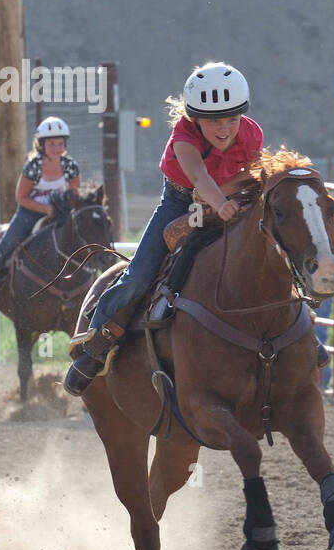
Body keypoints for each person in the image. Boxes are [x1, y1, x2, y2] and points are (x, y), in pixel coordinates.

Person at [64, 62, 264, 395]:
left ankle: (290, 333)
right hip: (181, 200)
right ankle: (97, 340)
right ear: (195, 119)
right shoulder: (184, 139)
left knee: (268, 250)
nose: (225, 129)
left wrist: (240, 201)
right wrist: (222, 206)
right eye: (215, 120)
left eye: (232, 118)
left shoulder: (252, 133)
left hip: (232, 196)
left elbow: (253, 173)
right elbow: (199, 179)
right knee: (141, 275)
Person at [0, 116, 81, 297]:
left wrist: (67, 209)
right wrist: (46, 210)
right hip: (30, 213)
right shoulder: (33, 167)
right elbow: (21, 198)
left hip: (60, 213)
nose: (57, 148)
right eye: (52, 144)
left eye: (61, 143)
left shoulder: (70, 166)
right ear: (42, 144)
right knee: (7, 244)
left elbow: (74, 195)